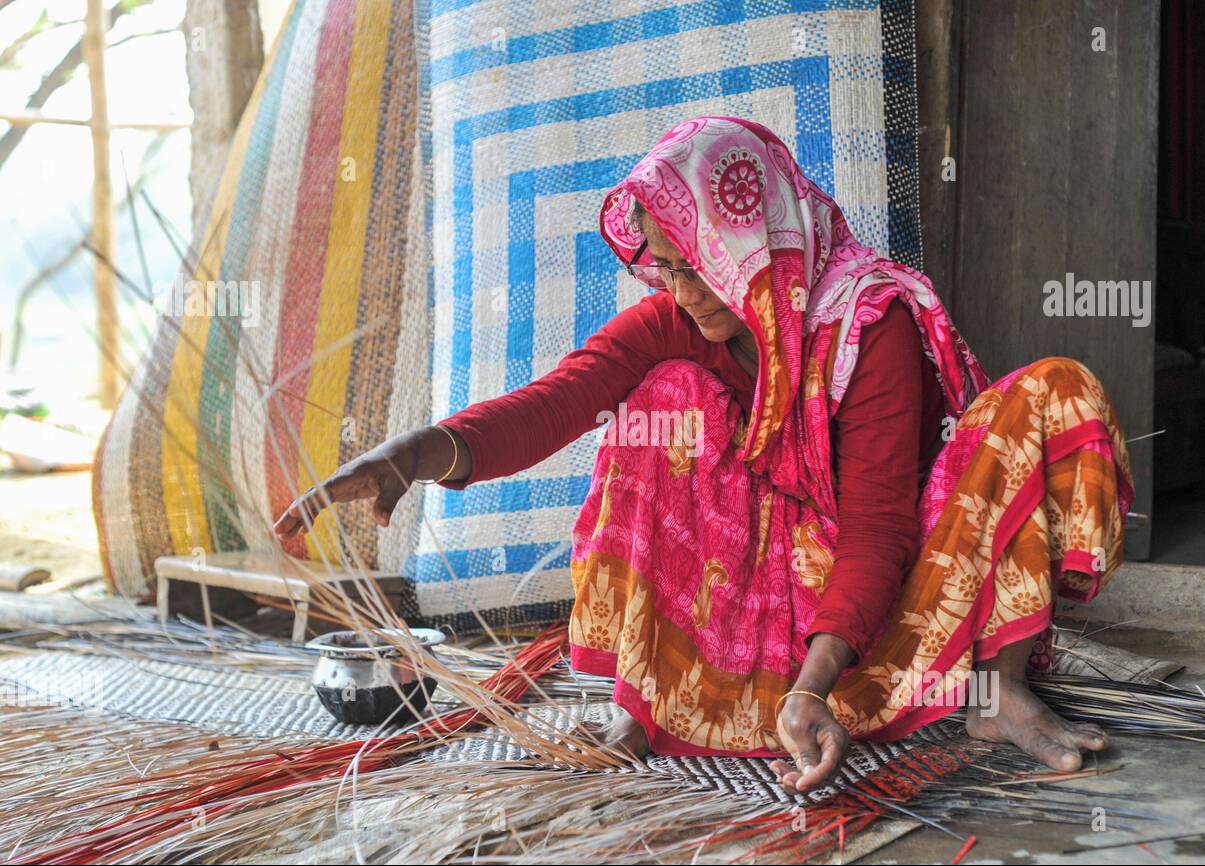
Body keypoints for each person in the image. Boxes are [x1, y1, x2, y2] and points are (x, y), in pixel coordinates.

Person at [275, 115, 1134, 796]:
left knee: (1052, 390)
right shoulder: (685, 318)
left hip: (896, 589)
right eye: (666, 270)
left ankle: (994, 688)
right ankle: (653, 701)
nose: (681, 292)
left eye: (698, 267)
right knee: (662, 401)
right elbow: (563, 398)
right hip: (775, 609)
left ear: (750, 241)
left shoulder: (869, 323)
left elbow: (878, 526)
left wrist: (816, 684)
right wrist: (414, 453)